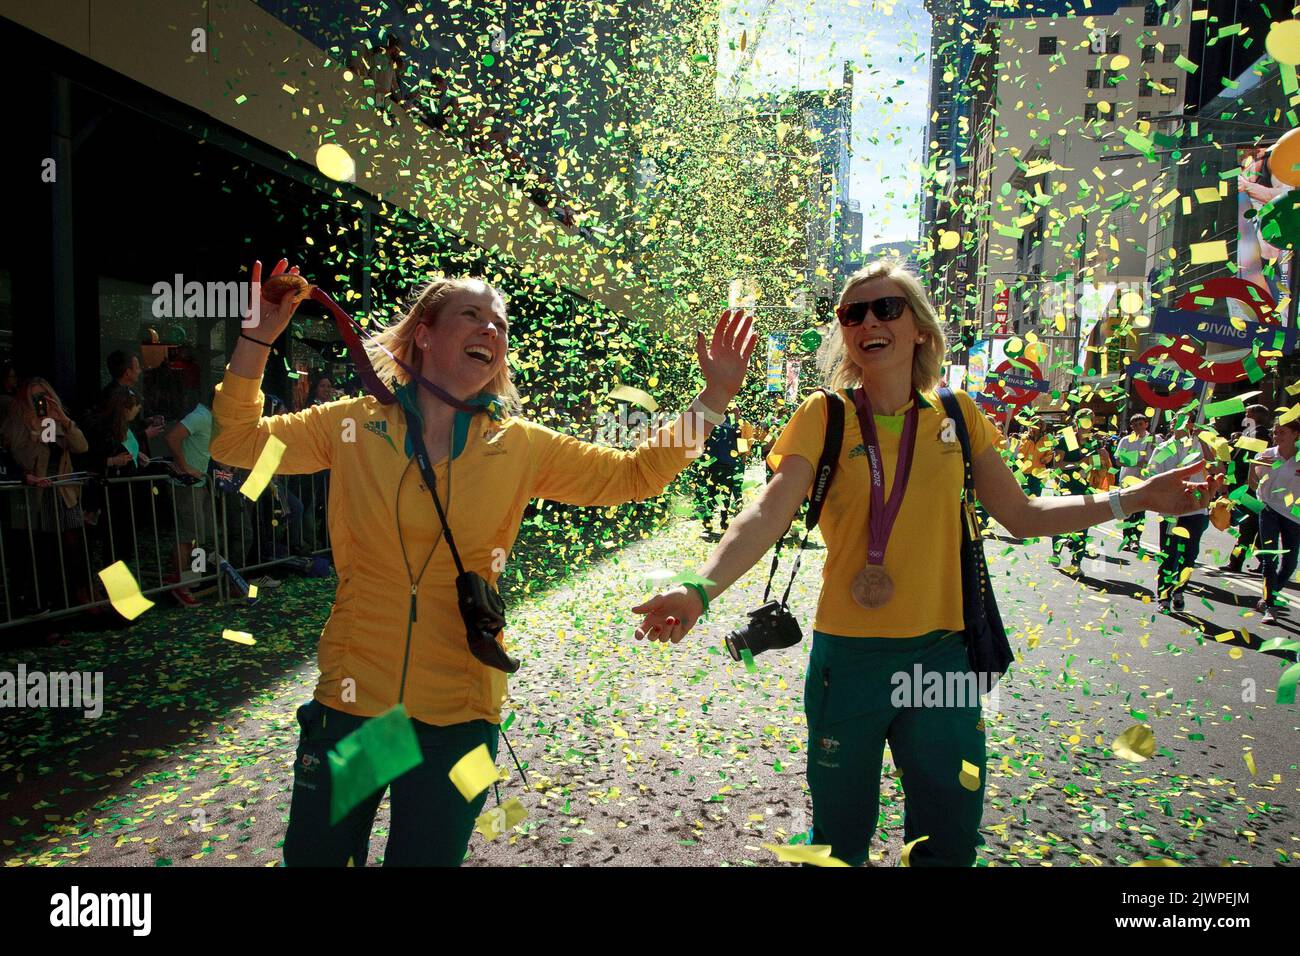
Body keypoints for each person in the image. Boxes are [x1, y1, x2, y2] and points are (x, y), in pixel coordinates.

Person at [631, 259, 1209, 867]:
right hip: (847, 659)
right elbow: (767, 514)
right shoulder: (822, 416)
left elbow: (1024, 515)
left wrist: (1135, 498)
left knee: (949, 834)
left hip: (942, 656)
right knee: (838, 835)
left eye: (887, 308)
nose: (869, 322)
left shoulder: (959, 416)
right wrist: (700, 588)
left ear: (920, 331)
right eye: (853, 313)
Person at [209, 258, 755, 866]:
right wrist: (257, 340)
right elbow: (235, 445)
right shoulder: (353, 425)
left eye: (499, 324)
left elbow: (636, 475)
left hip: (457, 716)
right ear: (423, 332)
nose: (491, 330)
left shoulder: (518, 444)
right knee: (319, 862)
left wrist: (714, 398)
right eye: (472, 315)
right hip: (357, 707)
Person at [1, 379, 90, 615]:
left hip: (62, 493)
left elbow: (81, 447)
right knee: (42, 553)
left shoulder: (55, 421)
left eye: (44, 395)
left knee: (73, 548)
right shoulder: (16, 424)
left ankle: (77, 599)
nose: (40, 401)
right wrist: (36, 429)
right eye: (34, 397)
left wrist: (63, 420)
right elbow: (22, 456)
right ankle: (46, 606)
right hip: (34, 496)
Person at [1149, 414, 1218, 613]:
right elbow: (1154, 476)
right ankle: (1164, 596)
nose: (1183, 425)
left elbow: (1215, 469)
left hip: (1196, 509)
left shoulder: (1200, 447)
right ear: (1171, 425)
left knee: (1189, 555)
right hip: (1171, 510)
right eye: (1177, 421)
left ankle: (1179, 591)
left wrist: (1204, 442)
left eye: (1187, 421)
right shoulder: (1162, 449)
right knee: (1169, 554)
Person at [164, 398, 213, 607]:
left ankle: (193, 580)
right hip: (186, 485)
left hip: (198, 483)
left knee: (197, 535)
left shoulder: (209, 418)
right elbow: (172, 437)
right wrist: (184, 467)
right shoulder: (200, 416)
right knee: (188, 535)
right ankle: (181, 584)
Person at [1252, 415, 1300, 624]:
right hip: (1269, 509)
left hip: (1294, 516)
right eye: (1275, 432)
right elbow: (1253, 484)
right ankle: (1270, 605)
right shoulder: (1266, 454)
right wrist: (1256, 467)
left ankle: (1270, 591)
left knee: (1290, 563)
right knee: (1269, 559)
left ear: (1295, 435)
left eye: (1282, 432)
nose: (1276, 435)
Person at [1049, 409, 1112, 566]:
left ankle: (1076, 563)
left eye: (1090, 419)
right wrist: (1079, 463)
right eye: (1084, 419)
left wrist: (1103, 458)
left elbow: (1097, 467)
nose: (1087, 423)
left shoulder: (1094, 442)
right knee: (1061, 522)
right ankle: (1056, 552)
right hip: (1066, 487)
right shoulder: (1067, 439)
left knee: (1083, 526)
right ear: (1076, 422)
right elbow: (1058, 465)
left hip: (1086, 489)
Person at [1226, 404, 1271, 572]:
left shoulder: (1260, 434)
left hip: (1249, 488)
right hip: (1244, 486)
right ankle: (1266, 562)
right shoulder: (1250, 433)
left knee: (1247, 525)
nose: (1244, 416)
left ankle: (1236, 562)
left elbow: (1253, 460)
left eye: (1247, 413)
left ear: (1256, 416)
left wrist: (1247, 482)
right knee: (1252, 527)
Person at [696, 405, 743, 538]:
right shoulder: (727, 425)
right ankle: (718, 524)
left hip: (720, 464)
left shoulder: (720, 424)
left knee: (717, 493)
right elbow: (742, 448)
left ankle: (713, 523)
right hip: (721, 464)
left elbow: (704, 444)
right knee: (721, 494)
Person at [1115, 413, 1154, 550]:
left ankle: (1135, 540)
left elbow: (1160, 459)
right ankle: (1126, 537)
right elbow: (1119, 460)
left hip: (1144, 480)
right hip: (1127, 479)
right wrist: (1136, 462)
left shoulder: (1154, 440)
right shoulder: (1125, 441)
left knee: (1140, 511)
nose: (1138, 427)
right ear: (1131, 426)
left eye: (1140, 424)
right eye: (1135, 425)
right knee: (1127, 510)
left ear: (1146, 424)